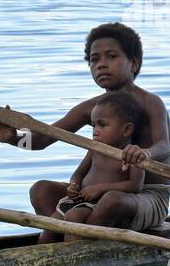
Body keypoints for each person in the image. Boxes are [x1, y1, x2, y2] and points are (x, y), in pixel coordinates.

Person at [0, 22, 170, 242]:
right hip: (95, 196)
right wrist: (13, 139)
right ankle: (71, 235)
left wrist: (145, 153)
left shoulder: (150, 102)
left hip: (144, 196)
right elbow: (41, 140)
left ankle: (80, 240)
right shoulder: (90, 108)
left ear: (133, 63)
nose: (101, 64)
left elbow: (163, 146)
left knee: (111, 200)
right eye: (95, 60)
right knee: (41, 190)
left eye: (111, 56)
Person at [50, 91, 145, 241]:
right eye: (93, 126)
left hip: (96, 205)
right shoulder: (94, 149)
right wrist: (74, 185)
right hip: (78, 201)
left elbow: (135, 186)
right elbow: (79, 173)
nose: (95, 132)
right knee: (50, 224)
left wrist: (100, 188)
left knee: (73, 217)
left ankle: (72, 258)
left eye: (102, 125)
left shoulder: (131, 155)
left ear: (126, 130)